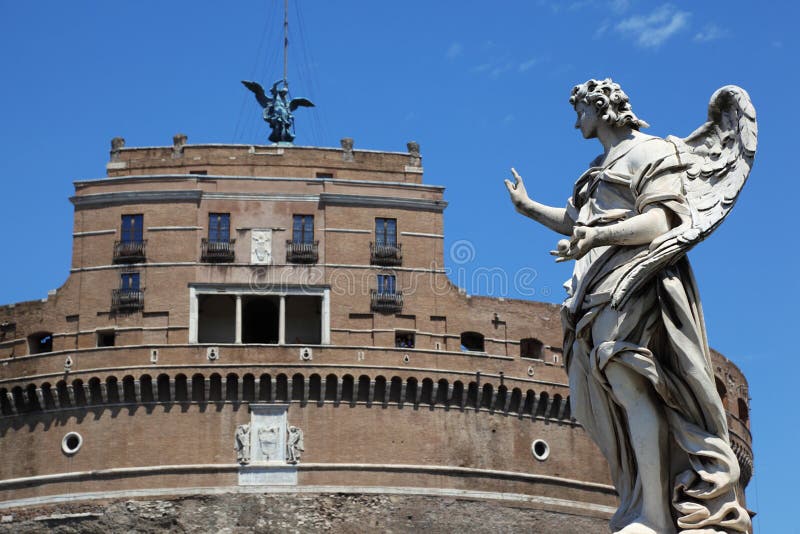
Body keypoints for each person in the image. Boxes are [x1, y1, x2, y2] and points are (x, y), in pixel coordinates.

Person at [505, 79, 751, 534]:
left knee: (634, 387)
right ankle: (640, 501)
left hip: (637, 280)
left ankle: (653, 514)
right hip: (595, 288)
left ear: (601, 107)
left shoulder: (651, 151)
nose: (576, 122)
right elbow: (578, 221)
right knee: (611, 397)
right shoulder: (597, 167)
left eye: (580, 111)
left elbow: (660, 221)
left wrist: (597, 237)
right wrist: (528, 208)